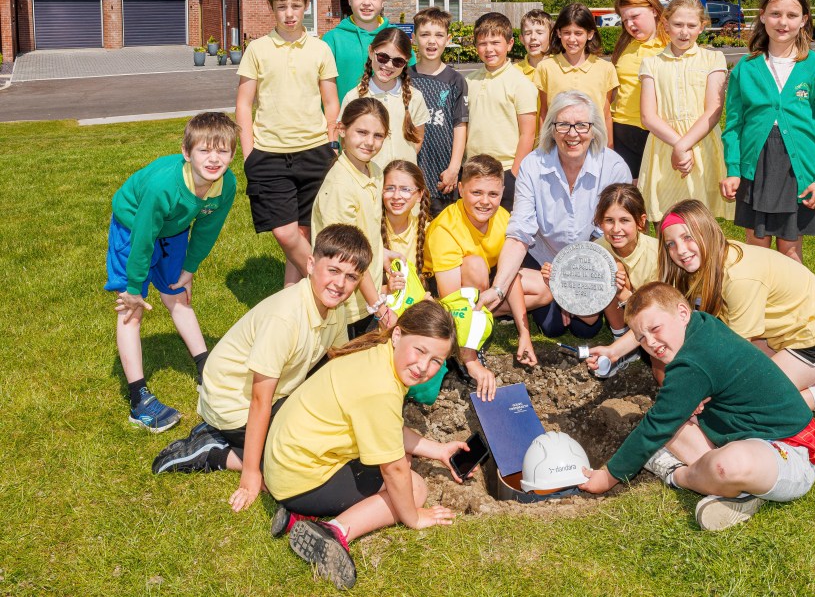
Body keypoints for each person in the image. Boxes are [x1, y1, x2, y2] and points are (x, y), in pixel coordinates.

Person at [592, 199, 815, 427]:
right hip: (774, 335)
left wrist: (700, 392)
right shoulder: (691, 267)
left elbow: (734, 355)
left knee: (747, 406)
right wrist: (614, 351)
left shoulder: (738, 277)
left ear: (707, 231)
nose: (680, 250)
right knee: (724, 399)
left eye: (688, 237)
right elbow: (657, 321)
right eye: (671, 243)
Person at [151, 225, 372, 514]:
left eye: (351, 277)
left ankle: (227, 440)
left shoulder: (337, 308)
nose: (340, 284)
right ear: (310, 264)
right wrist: (251, 474)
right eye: (333, 270)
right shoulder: (285, 318)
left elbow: (340, 365)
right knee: (289, 460)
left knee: (317, 433)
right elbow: (259, 399)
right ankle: (217, 452)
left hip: (275, 391)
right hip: (234, 403)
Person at [580, 283, 815, 532]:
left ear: (683, 313)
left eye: (655, 329)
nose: (651, 343)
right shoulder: (701, 326)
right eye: (642, 338)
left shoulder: (692, 363)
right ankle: (738, 492)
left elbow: (656, 426)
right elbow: (660, 420)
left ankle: (677, 474)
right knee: (670, 421)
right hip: (743, 435)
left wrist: (609, 476)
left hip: (791, 454)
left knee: (728, 465)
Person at [263, 300, 467, 591]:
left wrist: (438, 450)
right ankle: (334, 531)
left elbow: (388, 429)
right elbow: (394, 469)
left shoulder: (378, 357)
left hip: (285, 464)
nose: (424, 367)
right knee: (414, 487)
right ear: (397, 335)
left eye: (436, 360)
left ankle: (301, 515)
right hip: (299, 479)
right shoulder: (381, 389)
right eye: (420, 350)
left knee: (402, 464)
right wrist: (414, 517)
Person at [106, 112, 238, 433]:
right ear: (186, 152)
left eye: (222, 151)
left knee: (177, 294)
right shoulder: (163, 186)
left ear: (233, 155)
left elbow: (207, 230)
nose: (213, 158)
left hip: (173, 227)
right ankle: (139, 400)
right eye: (204, 150)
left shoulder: (226, 185)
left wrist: (189, 268)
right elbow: (143, 237)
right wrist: (135, 287)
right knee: (131, 310)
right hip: (133, 224)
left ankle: (206, 368)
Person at [478, 90, 631, 339]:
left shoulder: (613, 167)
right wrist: (498, 288)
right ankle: (488, 305)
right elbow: (520, 232)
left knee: (586, 328)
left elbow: (613, 234)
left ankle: (553, 301)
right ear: (551, 128)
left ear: (594, 129)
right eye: (563, 125)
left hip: (589, 261)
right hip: (543, 258)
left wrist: (571, 280)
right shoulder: (532, 165)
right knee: (552, 327)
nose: (572, 134)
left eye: (581, 125)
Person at [721, 0, 815, 263]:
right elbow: (734, 126)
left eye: (792, 15)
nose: (783, 22)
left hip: (796, 169)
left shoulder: (814, 66)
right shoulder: (747, 67)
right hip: (757, 168)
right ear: (762, 15)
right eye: (776, 14)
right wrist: (733, 170)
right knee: (756, 245)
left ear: (804, 21)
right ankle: (757, 304)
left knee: (790, 248)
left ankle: (796, 306)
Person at [236, 0, 340, 288]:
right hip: (269, 154)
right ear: (272, 8)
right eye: (282, 7)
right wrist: (249, 155)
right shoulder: (257, 49)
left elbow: (331, 103)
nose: (289, 14)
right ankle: (326, 282)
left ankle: (292, 298)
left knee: (305, 233)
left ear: (305, 4)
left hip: (314, 151)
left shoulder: (320, 49)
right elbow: (243, 104)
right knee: (284, 232)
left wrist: (333, 145)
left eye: (295, 6)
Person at [425, 154, 539, 398]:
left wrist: (524, 333)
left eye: (493, 194)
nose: (485, 202)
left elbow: (511, 275)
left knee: (543, 288)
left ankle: (484, 316)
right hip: (442, 292)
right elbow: (452, 301)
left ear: (503, 192)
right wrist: (470, 358)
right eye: (476, 193)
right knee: (475, 265)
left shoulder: (503, 218)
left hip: (481, 285)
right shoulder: (445, 228)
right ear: (460, 189)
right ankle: (466, 344)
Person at [638, 0, 733, 223]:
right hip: (663, 145)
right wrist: (677, 144)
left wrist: (684, 144)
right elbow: (648, 116)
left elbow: (714, 109)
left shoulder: (714, 59)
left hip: (702, 142)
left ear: (702, 27)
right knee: (667, 217)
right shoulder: (652, 63)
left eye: (692, 26)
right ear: (666, 24)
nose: (684, 32)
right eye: (678, 25)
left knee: (702, 220)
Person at [311, 98, 398, 338]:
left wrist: (382, 253)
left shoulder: (375, 171)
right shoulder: (340, 187)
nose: (369, 142)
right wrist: (379, 308)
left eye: (378, 135)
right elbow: (347, 256)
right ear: (342, 130)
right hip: (342, 303)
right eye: (361, 132)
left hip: (366, 297)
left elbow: (365, 227)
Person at [465, 12, 538, 212]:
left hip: (505, 171)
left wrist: (514, 175)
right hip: (473, 170)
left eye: (495, 42)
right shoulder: (468, 81)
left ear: (510, 43)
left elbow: (528, 133)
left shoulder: (521, 84)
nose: (489, 49)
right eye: (482, 43)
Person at [593, 183, 659, 376]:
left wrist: (622, 291)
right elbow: (588, 318)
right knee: (610, 269)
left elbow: (658, 309)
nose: (616, 229)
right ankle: (621, 342)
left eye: (624, 220)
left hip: (651, 315)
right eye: (609, 220)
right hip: (622, 316)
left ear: (640, 221)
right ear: (599, 222)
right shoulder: (597, 249)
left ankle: (629, 347)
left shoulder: (656, 254)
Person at [341, 27, 428, 169]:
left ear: (406, 62)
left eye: (398, 61)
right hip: (368, 179)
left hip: (403, 181)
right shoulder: (353, 97)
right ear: (371, 52)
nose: (388, 65)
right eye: (382, 57)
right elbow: (346, 142)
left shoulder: (415, 97)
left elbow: (418, 140)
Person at [410, 7, 469, 215]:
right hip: (410, 174)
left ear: (448, 39)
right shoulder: (405, 78)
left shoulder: (455, 80)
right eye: (425, 35)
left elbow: (460, 125)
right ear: (414, 38)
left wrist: (454, 168)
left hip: (443, 177)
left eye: (439, 35)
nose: (431, 41)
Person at [322, 0, 414, 97]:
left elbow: (409, 80)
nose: (366, 2)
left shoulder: (397, 39)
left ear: (383, 0)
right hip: (345, 117)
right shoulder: (332, 40)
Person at [535, 3, 619, 141]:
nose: (572, 39)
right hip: (558, 144)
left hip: (594, 145)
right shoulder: (545, 68)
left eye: (578, 33)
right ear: (558, 33)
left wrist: (609, 148)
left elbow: (606, 114)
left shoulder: (606, 68)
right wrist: (544, 148)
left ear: (590, 34)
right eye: (567, 33)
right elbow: (544, 112)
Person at [609, 0, 668, 180]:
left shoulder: (671, 45)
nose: (630, 24)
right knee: (629, 193)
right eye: (625, 20)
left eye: (634, 16)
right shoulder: (625, 46)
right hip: (622, 130)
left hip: (657, 131)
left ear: (653, 10)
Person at [381, 160, 431, 276]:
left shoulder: (427, 231)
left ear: (419, 195)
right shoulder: (370, 227)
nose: (396, 196)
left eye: (405, 189)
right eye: (390, 188)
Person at [516, 8, 552, 82]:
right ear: (521, 39)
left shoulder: (560, 67)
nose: (533, 37)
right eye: (528, 33)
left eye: (539, 33)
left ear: (551, 37)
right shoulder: (514, 72)